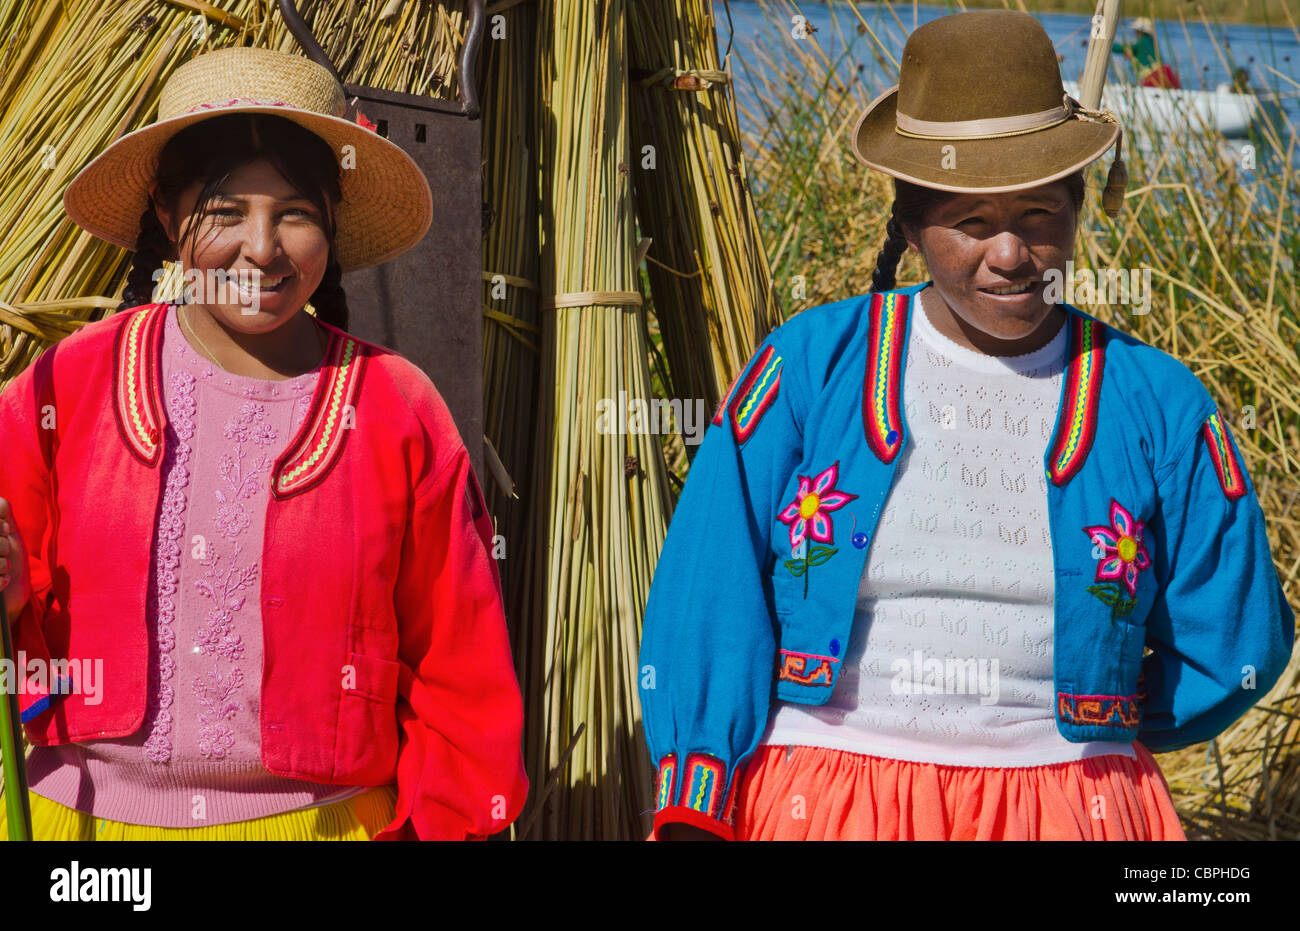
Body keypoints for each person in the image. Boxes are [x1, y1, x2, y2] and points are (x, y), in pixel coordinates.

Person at [638, 10, 1293, 841]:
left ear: (1080, 210)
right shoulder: (810, 368)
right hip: (833, 801)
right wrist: (700, 785)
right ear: (911, 227)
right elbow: (711, 582)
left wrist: (1104, 712)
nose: (1011, 253)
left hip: (1067, 801)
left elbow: (1239, 638)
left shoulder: (1155, 402)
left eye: (1040, 216)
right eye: (973, 223)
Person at [0, 46, 528, 840]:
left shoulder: (396, 411)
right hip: (79, 831)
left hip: (320, 826)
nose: (262, 247)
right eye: (225, 210)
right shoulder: (68, 388)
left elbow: (462, 672)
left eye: (294, 212)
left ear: (331, 223)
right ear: (169, 214)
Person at [1113, 17, 1181, 89]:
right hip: (1165, 72)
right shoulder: (1152, 41)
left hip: (1155, 75)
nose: (1134, 33)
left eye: (1136, 31)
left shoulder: (1141, 41)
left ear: (1140, 31)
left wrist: (1106, 42)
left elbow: (1122, 48)